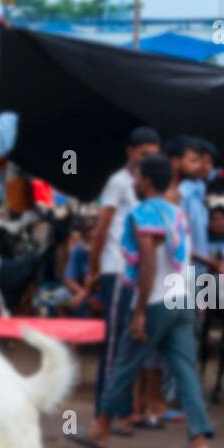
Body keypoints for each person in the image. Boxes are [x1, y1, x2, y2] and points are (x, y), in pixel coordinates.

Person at [70, 154, 214, 448]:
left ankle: (101, 429)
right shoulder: (177, 213)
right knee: (185, 369)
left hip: (154, 300)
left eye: (137, 176)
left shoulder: (143, 213)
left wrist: (139, 311)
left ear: (147, 181)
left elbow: (147, 259)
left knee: (124, 365)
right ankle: (199, 440)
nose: (133, 181)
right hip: (181, 297)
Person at [86, 126, 161, 430]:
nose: (148, 161)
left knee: (130, 343)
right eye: (144, 155)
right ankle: (103, 414)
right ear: (130, 152)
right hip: (116, 270)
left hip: (135, 273)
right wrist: (93, 271)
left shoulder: (147, 186)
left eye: (154, 156)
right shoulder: (117, 182)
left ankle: (123, 411)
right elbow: (101, 229)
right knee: (115, 346)